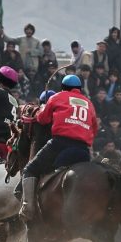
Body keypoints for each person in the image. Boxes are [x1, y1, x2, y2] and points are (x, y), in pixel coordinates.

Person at [20, 75, 96, 220]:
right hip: (84, 150)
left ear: (62, 87)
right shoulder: (89, 103)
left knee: (30, 169)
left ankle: (28, 208)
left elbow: (42, 119)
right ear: (79, 89)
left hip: (61, 144)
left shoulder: (58, 97)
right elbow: (94, 129)